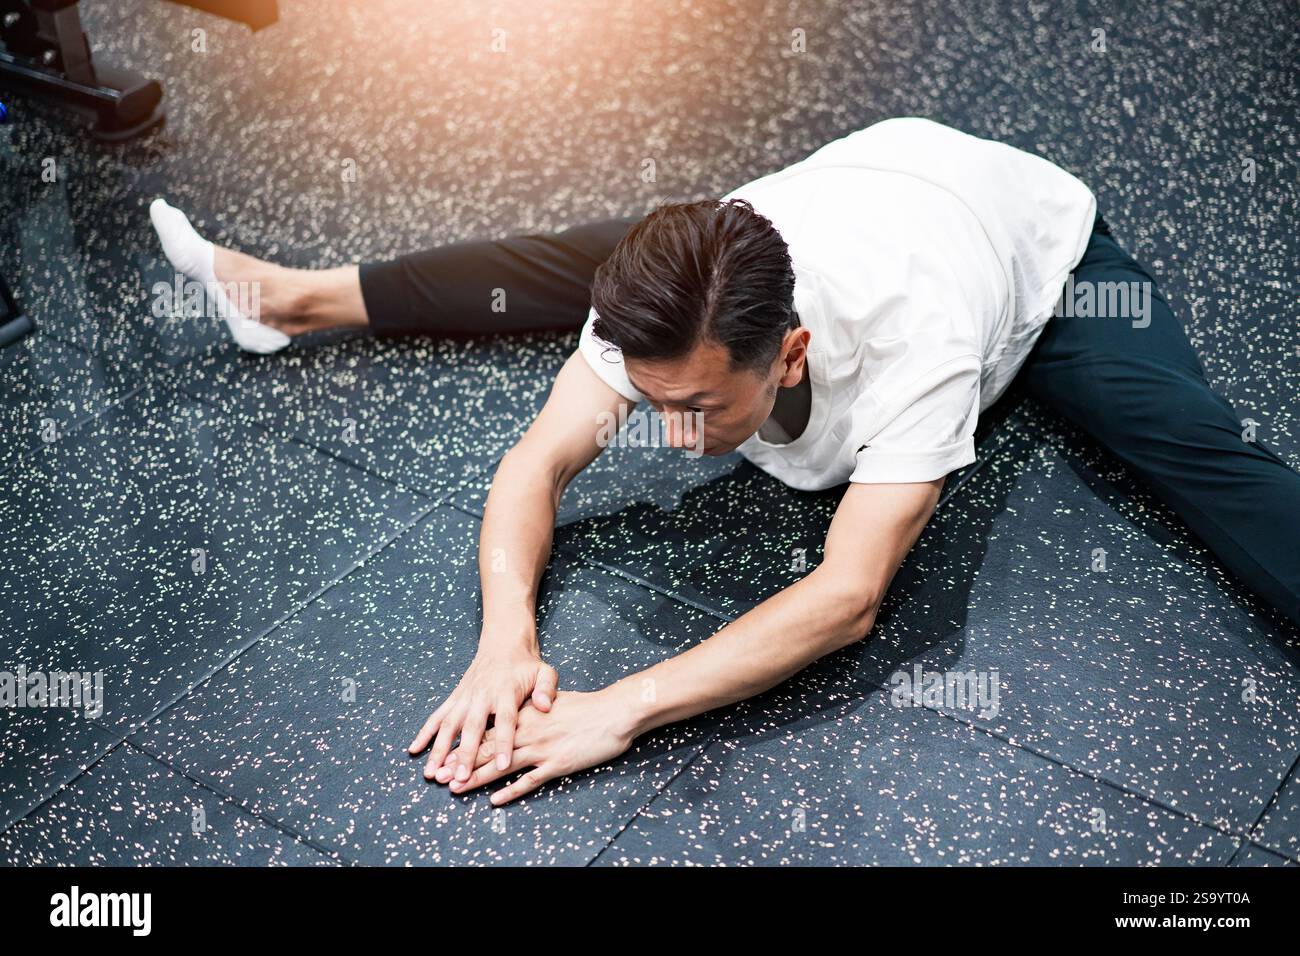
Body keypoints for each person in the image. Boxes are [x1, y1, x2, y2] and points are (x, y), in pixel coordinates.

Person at [150, 117, 1300, 806]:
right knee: (582, 262)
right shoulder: (690, 297)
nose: (670, 432)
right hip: (859, 176)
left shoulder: (921, 342)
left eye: (698, 407)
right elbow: (534, 464)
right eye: (656, 403)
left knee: (1186, 443)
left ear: (789, 349)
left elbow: (847, 597)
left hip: (1019, 241)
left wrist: (621, 707)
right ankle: (290, 298)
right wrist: (509, 636)